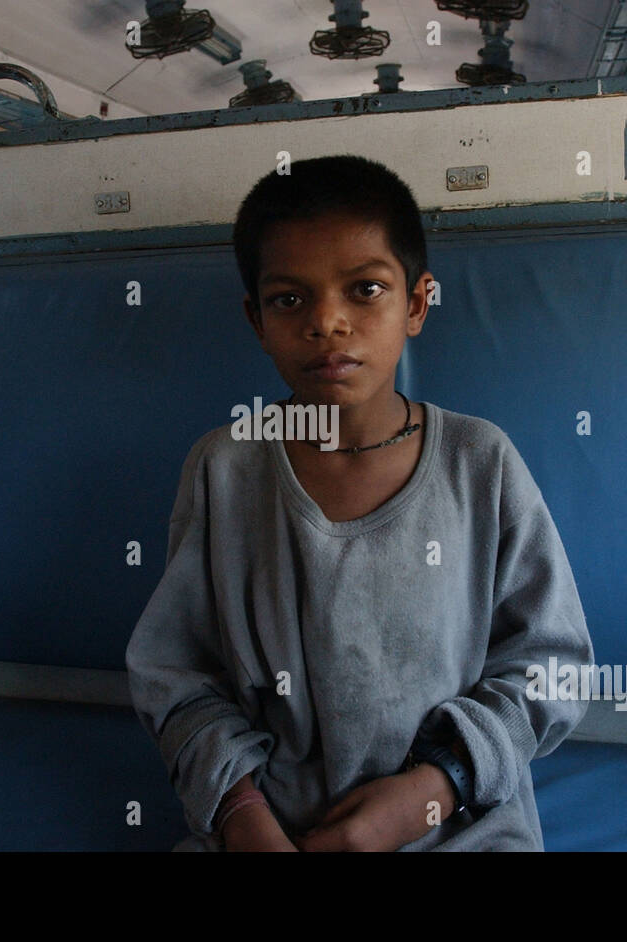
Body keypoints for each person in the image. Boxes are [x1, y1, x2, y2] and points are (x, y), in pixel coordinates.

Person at [125, 155, 595, 852]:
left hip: (458, 822)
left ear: (415, 304)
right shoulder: (225, 470)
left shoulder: (480, 462)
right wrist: (239, 814)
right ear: (256, 319)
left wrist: (435, 789)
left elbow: (552, 666)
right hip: (269, 830)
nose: (327, 323)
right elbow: (179, 677)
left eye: (364, 290)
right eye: (290, 299)